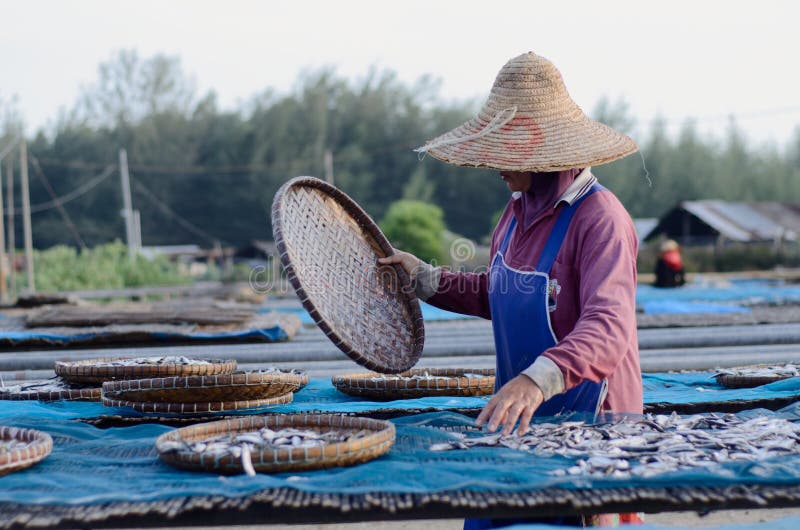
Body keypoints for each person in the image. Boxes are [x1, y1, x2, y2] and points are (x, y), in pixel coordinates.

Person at [379, 52, 644, 528]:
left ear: (540, 151)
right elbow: (497, 293)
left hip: (589, 429)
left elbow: (608, 329)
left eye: (503, 150)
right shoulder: (515, 212)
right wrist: (424, 278)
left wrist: (533, 380)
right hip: (523, 422)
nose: (492, 163)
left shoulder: (600, 219)